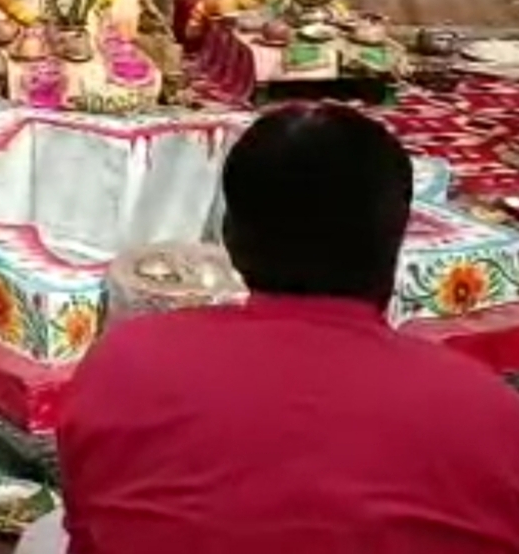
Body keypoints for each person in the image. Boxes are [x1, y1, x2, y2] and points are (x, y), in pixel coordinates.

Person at [57, 103, 519, 554]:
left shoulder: (124, 364)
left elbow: (89, 529)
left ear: (230, 239)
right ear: (397, 236)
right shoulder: (488, 413)